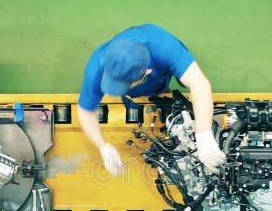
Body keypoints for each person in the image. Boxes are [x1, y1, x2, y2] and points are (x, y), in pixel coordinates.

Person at [77, 24, 225, 175]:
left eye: (123, 85)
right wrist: (103, 146)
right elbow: (85, 110)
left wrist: (204, 136)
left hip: (159, 70)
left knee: (181, 81)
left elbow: (200, 83)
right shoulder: (98, 65)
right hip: (138, 80)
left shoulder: (164, 46)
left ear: (146, 72)